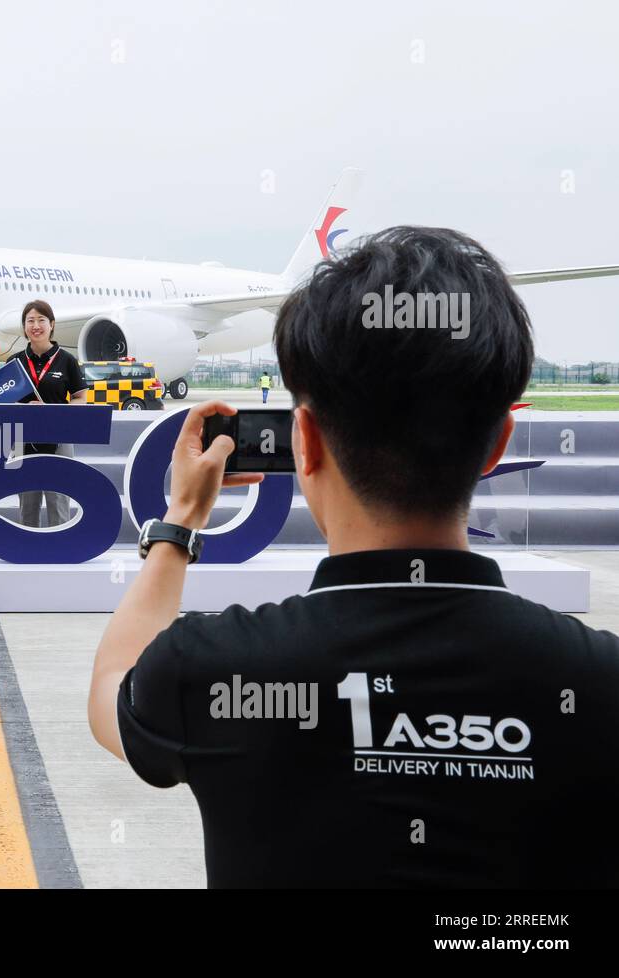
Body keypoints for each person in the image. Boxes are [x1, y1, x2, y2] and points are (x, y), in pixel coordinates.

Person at [88, 226, 619, 887]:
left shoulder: (217, 668)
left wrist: (181, 522)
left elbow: (112, 689)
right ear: (496, 446)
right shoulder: (599, 684)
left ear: (304, 443)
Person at [8, 300, 87, 528]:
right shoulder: (15, 362)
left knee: (59, 502)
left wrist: (56, 412)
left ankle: (60, 552)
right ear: (24, 327)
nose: (36, 325)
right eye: (30, 321)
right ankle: (29, 552)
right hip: (23, 440)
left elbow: (81, 397)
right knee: (27, 505)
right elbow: (3, 402)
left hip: (59, 437)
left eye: (41, 320)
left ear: (51, 324)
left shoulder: (67, 360)